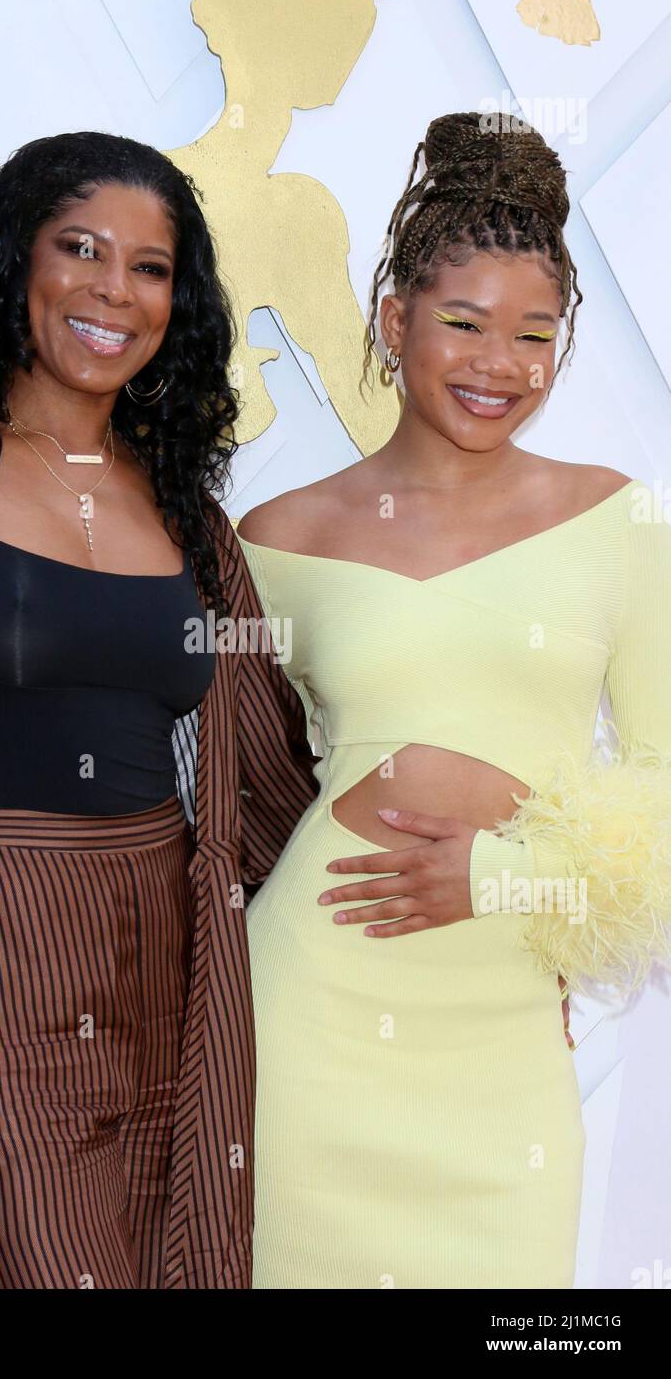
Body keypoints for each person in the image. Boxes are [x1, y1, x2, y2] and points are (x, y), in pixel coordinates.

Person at [0, 131, 319, 1288]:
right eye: (79, 247)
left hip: (160, 998)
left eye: (150, 267)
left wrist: (474, 897)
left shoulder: (195, 529)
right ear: (12, 263)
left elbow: (274, 791)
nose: (111, 290)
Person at [236, 111, 671, 1288]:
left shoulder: (617, 524)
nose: (498, 365)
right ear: (392, 321)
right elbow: (231, 808)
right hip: (308, 1028)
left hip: (499, 1046)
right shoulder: (273, 540)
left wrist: (502, 876)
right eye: (463, 323)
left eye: (533, 334)